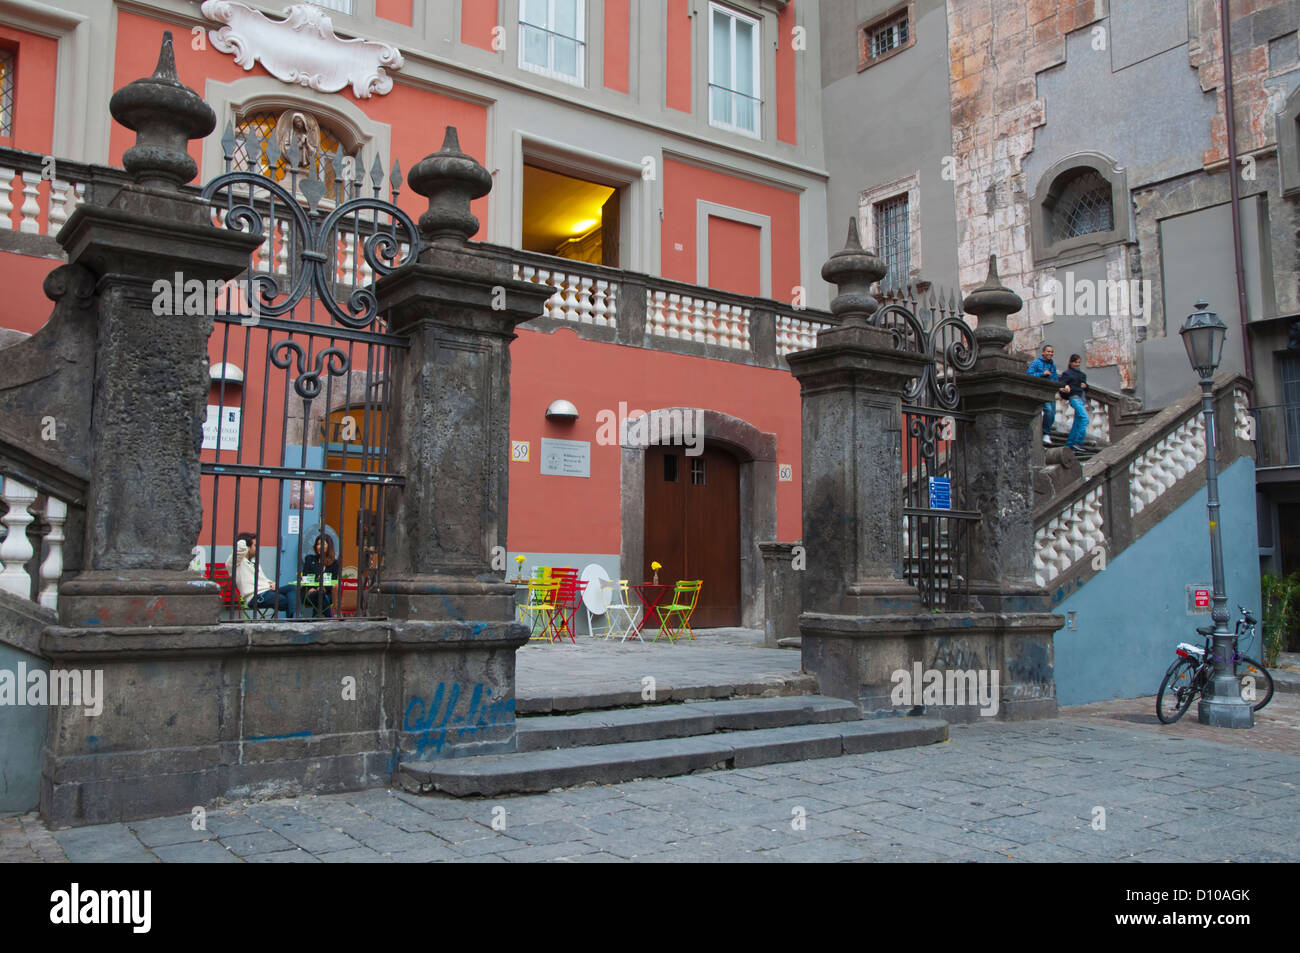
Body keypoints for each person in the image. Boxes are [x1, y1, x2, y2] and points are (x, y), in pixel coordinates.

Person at [227, 532, 297, 618]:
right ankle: (295, 619)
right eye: (255, 545)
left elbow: (262, 579)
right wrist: (244, 542)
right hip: (256, 597)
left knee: (292, 588)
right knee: (287, 600)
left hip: (267, 592)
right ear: (247, 547)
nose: (257, 548)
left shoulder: (254, 562)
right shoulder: (235, 563)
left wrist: (270, 583)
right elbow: (239, 549)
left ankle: (295, 617)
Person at [301, 534, 341, 618]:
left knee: (321, 595)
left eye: (323, 544)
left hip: (327, 593)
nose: (320, 547)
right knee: (318, 595)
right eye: (318, 544)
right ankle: (329, 618)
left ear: (329, 546)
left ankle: (315, 618)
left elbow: (333, 580)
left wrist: (324, 588)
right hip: (309, 592)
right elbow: (305, 576)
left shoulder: (335, 563)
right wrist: (311, 587)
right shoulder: (310, 559)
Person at [1026, 344, 1059, 444]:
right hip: (1040, 390)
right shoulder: (1036, 363)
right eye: (1048, 351)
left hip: (1050, 391)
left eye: (1052, 352)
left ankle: (1046, 432)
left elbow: (1055, 378)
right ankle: (1045, 433)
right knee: (1048, 410)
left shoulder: (1052, 365)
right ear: (1043, 352)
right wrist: (1042, 374)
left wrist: (1059, 386)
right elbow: (1029, 374)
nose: (1050, 353)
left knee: (1052, 413)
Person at [1059, 353, 1090, 449]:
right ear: (1071, 362)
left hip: (1081, 398)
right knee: (1085, 419)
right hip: (1074, 397)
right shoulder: (1067, 373)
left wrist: (1086, 386)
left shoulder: (1082, 375)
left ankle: (1069, 445)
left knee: (1077, 422)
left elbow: (1086, 388)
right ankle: (1078, 442)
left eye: (1079, 362)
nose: (1077, 364)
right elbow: (1062, 384)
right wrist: (1065, 386)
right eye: (1075, 362)